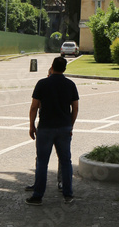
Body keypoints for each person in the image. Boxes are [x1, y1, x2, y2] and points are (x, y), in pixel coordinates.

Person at [26, 57, 79, 204]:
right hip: (64, 127)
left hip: (45, 127)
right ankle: (68, 194)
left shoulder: (42, 83)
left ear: (52, 67)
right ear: (64, 69)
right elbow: (75, 107)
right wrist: (71, 124)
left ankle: (38, 196)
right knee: (66, 161)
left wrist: (32, 125)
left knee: (42, 162)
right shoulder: (70, 84)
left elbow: (34, 107)